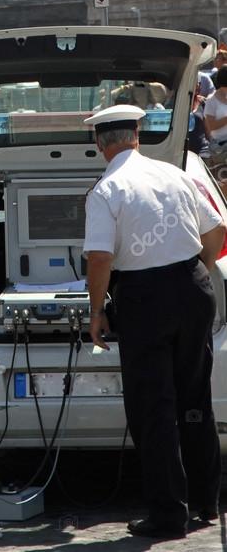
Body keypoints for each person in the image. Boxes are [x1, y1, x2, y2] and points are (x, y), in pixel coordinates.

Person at [83, 104, 225, 539]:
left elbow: (101, 258)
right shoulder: (177, 175)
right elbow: (217, 232)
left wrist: (96, 310)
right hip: (193, 288)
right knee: (195, 398)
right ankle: (206, 503)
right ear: (137, 136)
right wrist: (187, 272)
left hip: (145, 301)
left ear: (100, 144)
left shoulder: (106, 190)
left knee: (154, 407)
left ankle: (168, 516)